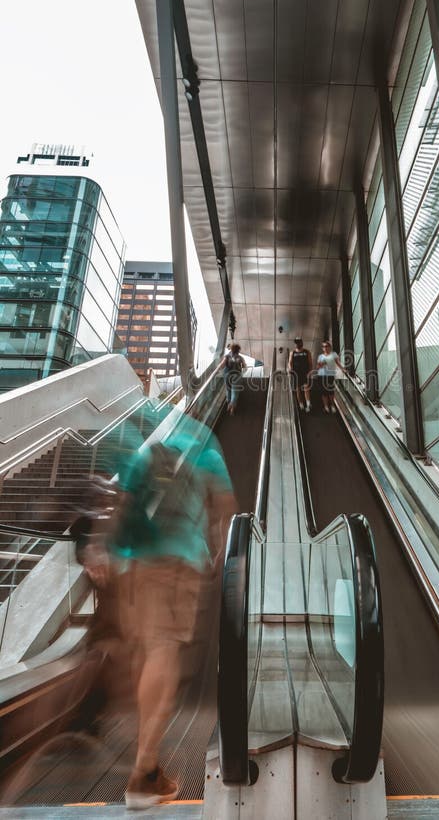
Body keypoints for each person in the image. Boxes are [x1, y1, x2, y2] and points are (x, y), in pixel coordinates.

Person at [113, 418, 236, 810]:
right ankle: (144, 769)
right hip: (180, 561)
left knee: (149, 653)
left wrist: (117, 560)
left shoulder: (149, 453)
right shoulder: (205, 452)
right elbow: (227, 510)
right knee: (165, 652)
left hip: (138, 565)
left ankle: (147, 766)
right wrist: (220, 549)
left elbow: (125, 505)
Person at [315, 340, 343, 414]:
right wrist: (321, 364)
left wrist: (343, 369)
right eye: (323, 346)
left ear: (330, 347)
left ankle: (332, 406)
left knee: (330, 391)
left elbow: (338, 363)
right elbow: (317, 367)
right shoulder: (320, 356)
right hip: (321, 375)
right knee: (324, 392)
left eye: (326, 346)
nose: (325, 348)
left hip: (330, 375)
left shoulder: (334, 354)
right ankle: (326, 407)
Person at [218, 343, 246, 415]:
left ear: (231, 349)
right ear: (238, 350)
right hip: (237, 376)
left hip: (227, 375)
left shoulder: (227, 356)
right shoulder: (240, 358)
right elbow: (244, 366)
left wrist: (217, 370)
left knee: (228, 390)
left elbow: (222, 365)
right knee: (235, 391)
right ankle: (232, 406)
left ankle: (228, 403)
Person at [288, 336, 313, 412]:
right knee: (298, 389)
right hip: (296, 373)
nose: (297, 344)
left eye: (299, 342)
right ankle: (301, 405)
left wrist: (310, 372)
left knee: (306, 388)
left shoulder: (307, 352)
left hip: (305, 372)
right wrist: (290, 369)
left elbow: (310, 363)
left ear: (302, 343)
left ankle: (308, 404)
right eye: (296, 343)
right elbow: (290, 362)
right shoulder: (292, 352)